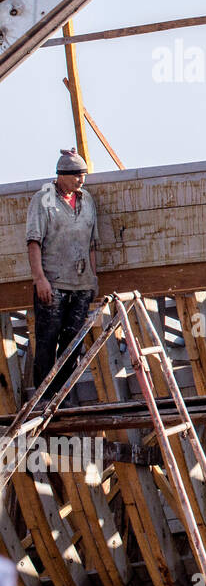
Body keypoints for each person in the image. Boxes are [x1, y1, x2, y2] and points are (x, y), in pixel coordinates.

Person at [25, 149, 98, 400]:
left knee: (73, 341)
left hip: (81, 283)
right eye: (77, 175)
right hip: (53, 282)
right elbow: (33, 241)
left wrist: (93, 278)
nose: (81, 180)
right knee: (47, 339)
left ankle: (63, 398)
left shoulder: (86, 200)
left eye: (83, 175)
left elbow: (91, 243)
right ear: (62, 175)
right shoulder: (44, 198)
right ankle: (45, 397)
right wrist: (39, 279)